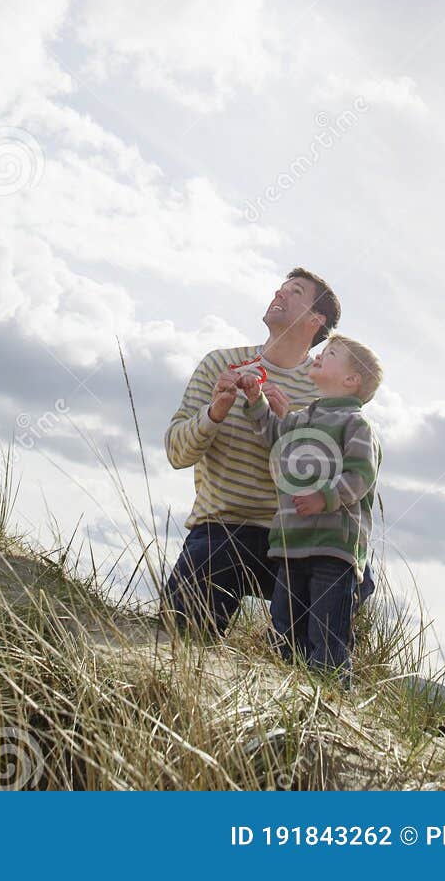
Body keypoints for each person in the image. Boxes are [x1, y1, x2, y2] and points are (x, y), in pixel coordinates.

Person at [162, 267, 341, 633]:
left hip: (294, 536)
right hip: (222, 527)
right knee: (183, 629)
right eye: (279, 288)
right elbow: (177, 453)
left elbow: (332, 481)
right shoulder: (219, 363)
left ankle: (311, 664)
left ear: (315, 320)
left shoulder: (325, 393)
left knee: (348, 577)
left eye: (294, 292)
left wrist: (284, 427)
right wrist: (214, 413)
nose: (279, 294)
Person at [239, 334, 383, 680]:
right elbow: (273, 435)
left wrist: (326, 497)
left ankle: (331, 691)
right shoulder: (302, 418)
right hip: (292, 543)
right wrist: (255, 399)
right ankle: (286, 687)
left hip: (334, 548)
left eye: (330, 353)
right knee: (285, 628)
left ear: (351, 380)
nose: (318, 354)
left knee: (327, 633)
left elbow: (362, 474)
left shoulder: (355, 424)